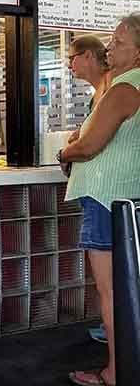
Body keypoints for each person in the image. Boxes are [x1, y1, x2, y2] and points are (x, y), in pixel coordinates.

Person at [59, 14, 140, 386]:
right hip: (127, 201)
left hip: (108, 200)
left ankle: (117, 375)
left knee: (114, 295)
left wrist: (64, 153)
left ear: (138, 51)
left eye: (119, 41)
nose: (111, 48)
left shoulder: (126, 88)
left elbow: (89, 145)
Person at [66, 35, 110, 344]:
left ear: (90, 56)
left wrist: (67, 151)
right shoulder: (103, 92)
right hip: (102, 189)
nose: (69, 64)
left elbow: (94, 143)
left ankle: (117, 341)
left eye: (73, 57)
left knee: (109, 280)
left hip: (102, 190)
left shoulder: (115, 89)